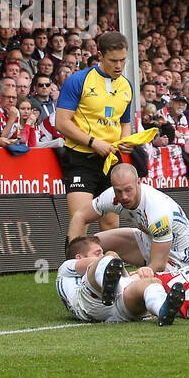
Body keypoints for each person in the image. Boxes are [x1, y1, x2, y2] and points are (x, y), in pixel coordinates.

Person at [54, 31, 134, 240]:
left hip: (110, 159)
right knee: (80, 218)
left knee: (110, 222)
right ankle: (72, 270)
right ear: (100, 55)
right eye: (113, 60)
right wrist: (93, 142)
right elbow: (61, 122)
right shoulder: (78, 80)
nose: (119, 65)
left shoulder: (126, 85)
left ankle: (110, 271)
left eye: (123, 60)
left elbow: (124, 123)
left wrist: (126, 142)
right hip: (81, 157)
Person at [72, 163, 189, 273]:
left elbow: (158, 265)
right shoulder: (111, 197)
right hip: (148, 239)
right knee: (92, 244)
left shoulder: (158, 211)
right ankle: (77, 277)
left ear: (138, 183)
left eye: (128, 190)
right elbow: (80, 216)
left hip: (177, 256)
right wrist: (72, 262)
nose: (124, 196)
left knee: (138, 286)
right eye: (119, 191)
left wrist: (133, 277)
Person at [55, 236, 184, 327]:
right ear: (79, 257)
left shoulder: (110, 269)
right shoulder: (66, 267)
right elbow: (100, 263)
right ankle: (107, 287)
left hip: (116, 309)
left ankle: (162, 310)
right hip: (91, 301)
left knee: (150, 283)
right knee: (111, 256)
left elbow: (128, 281)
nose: (101, 255)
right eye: (97, 253)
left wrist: (142, 275)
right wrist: (108, 257)